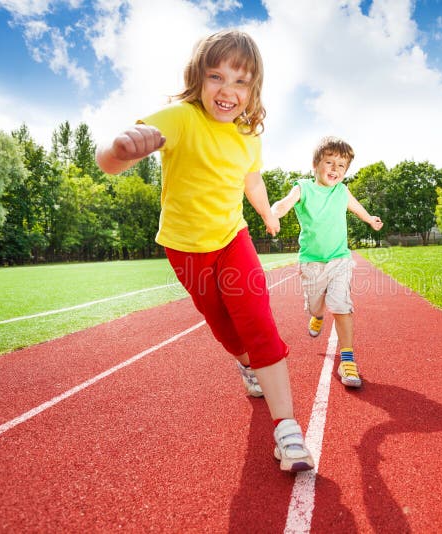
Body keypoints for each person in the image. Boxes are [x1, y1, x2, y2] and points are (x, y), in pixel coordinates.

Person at [96, 29, 314, 472]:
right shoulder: (179, 118)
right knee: (225, 328)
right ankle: (247, 366)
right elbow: (112, 156)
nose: (227, 90)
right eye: (216, 76)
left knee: (257, 320)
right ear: (198, 78)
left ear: (253, 90)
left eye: (240, 81)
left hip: (233, 239)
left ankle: (288, 429)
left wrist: (268, 215)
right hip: (185, 250)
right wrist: (118, 150)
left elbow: (252, 180)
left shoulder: (249, 137)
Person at [271, 136, 383, 388]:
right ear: (315, 165)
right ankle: (317, 316)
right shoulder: (303, 188)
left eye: (341, 165)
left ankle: (348, 359)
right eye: (329, 162)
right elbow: (284, 203)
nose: (335, 169)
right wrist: (273, 214)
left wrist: (370, 220)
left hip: (339, 259)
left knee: (342, 305)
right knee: (315, 307)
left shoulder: (341, 191)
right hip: (312, 263)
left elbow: (356, 207)